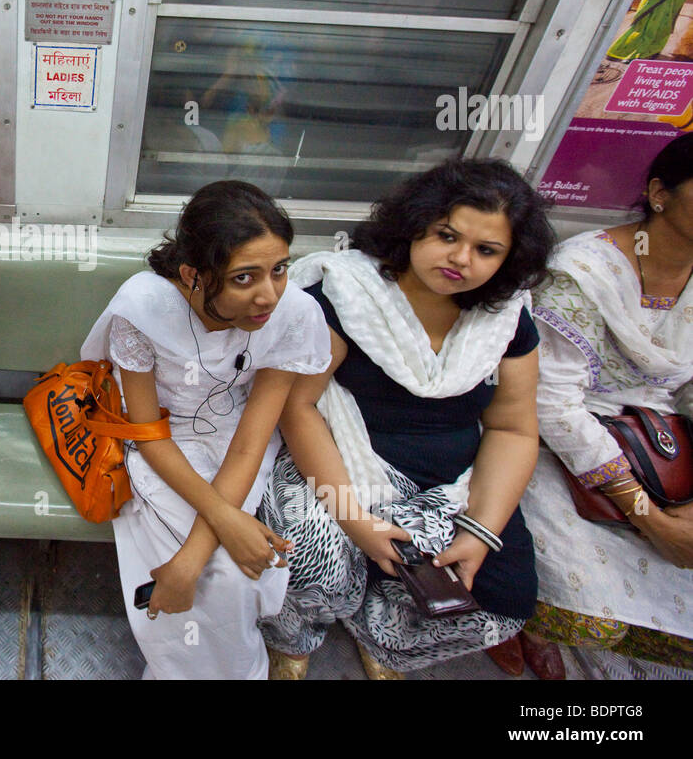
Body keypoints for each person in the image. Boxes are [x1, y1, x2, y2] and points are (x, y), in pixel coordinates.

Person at [262, 159, 552, 678]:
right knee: (311, 563)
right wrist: (357, 521)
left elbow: (513, 428)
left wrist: (481, 529)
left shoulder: (506, 318)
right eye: (447, 235)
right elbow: (298, 407)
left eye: (486, 250)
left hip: (450, 478)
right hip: (343, 459)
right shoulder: (347, 294)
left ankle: (385, 636)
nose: (461, 259)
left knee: (504, 601)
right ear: (416, 224)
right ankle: (294, 637)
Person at [80, 180, 331, 679]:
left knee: (228, 575)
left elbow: (251, 442)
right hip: (161, 448)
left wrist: (194, 556)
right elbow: (147, 428)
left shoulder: (295, 312)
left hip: (239, 451)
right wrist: (222, 523)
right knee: (221, 580)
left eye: (279, 269)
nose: (269, 295)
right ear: (193, 274)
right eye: (244, 278)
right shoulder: (143, 308)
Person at [520, 134, 693, 677]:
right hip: (568, 437)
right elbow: (553, 406)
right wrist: (649, 517)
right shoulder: (583, 272)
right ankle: (525, 621)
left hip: (665, 434)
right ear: (659, 193)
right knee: (586, 607)